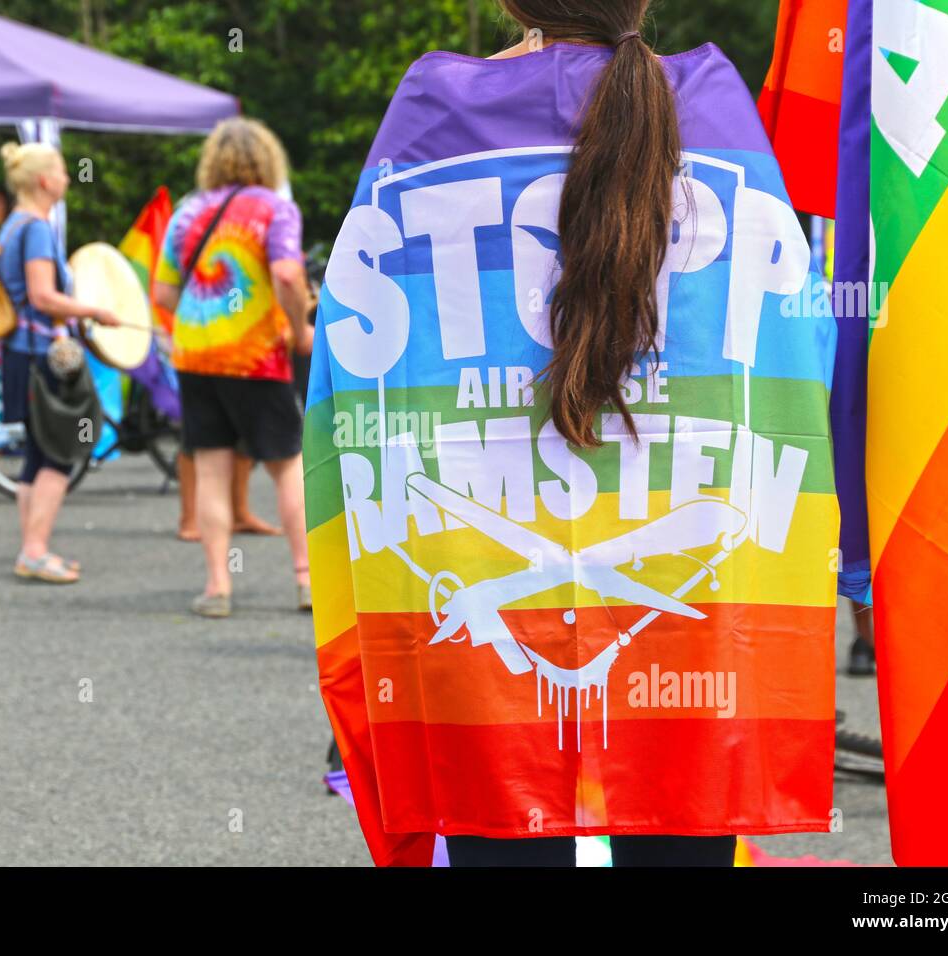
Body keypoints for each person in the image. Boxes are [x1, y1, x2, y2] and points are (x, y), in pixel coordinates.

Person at [306, 0, 841, 867]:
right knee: (683, 823)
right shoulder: (710, 101)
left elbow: (350, 359)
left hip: (469, 561)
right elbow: (800, 336)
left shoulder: (435, 111)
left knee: (499, 823)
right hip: (695, 583)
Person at [152, 118, 314, 618]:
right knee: (287, 465)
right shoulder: (276, 209)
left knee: (211, 469)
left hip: (197, 356)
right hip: (255, 358)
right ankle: (307, 580)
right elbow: (287, 274)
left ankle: (218, 586)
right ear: (268, 160)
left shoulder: (186, 214)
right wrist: (300, 327)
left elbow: (162, 293)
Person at [0, 142, 119, 585]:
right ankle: (34, 551)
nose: (68, 179)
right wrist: (95, 311)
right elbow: (43, 295)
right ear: (45, 180)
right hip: (40, 356)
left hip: (18, 353)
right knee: (59, 453)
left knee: (35, 455)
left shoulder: (12, 225)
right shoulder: (39, 228)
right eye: (64, 172)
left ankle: (32, 548)